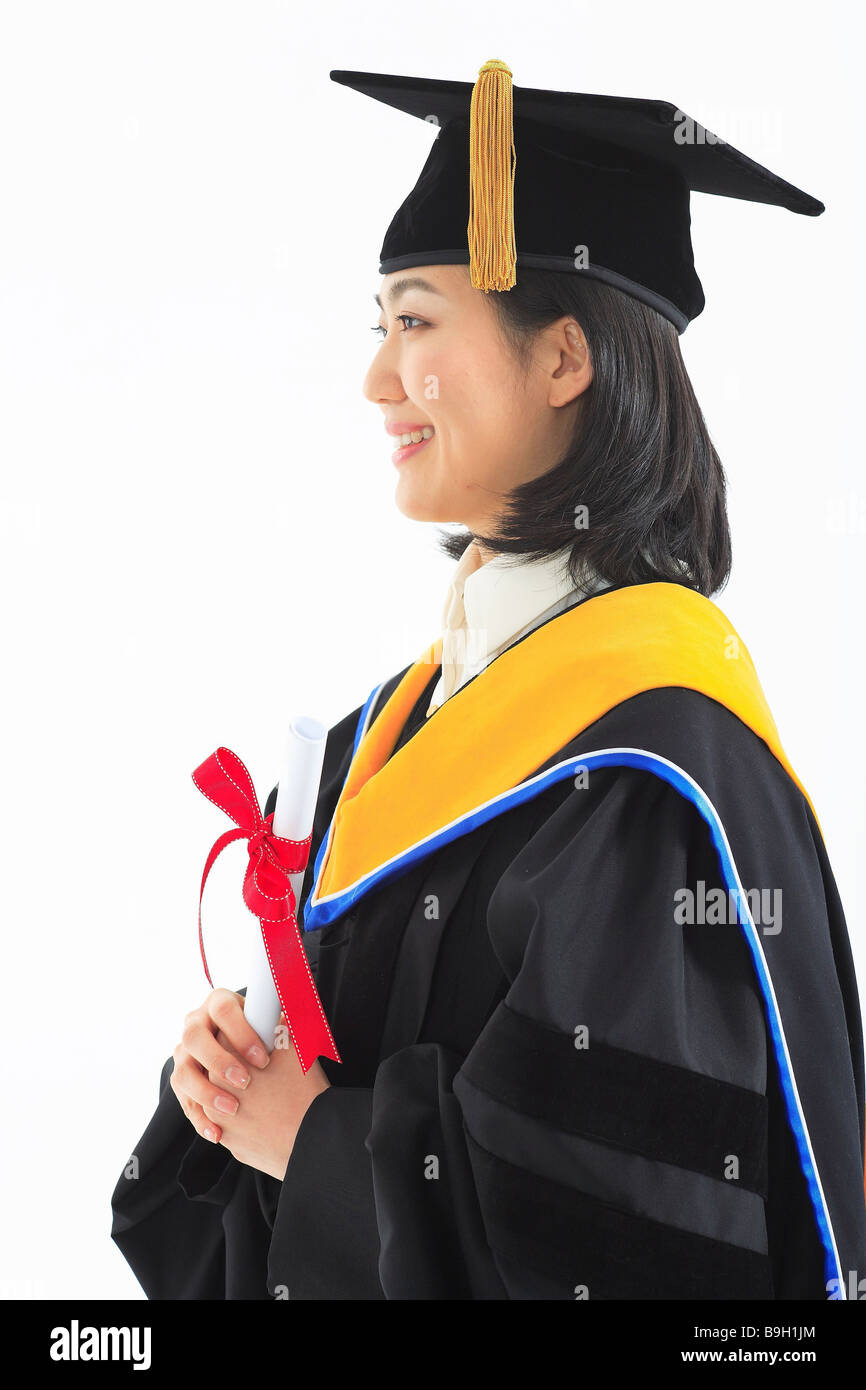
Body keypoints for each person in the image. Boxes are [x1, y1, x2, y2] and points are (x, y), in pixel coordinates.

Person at [111, 60, 866, 1300]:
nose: (374, 380)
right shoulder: (388, 737)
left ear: (562, 357)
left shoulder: (651, 780)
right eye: (379, 326)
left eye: (414, 321)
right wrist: (233, 1086)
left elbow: (623, 1253)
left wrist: (308, 1141)